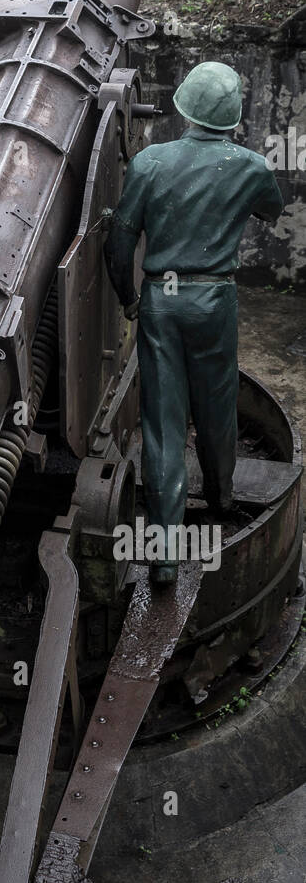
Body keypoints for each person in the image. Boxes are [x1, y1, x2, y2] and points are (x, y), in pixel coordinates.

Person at [104, 62, 284, 585]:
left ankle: (162, 555)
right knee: (217, 403)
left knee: (162, 423)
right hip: (214, 299)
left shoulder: (150, 161)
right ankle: (221, 495)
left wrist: (128, 298)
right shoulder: (250, 165)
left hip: (162, 297)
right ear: (232, 118)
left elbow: (120, 239)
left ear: (182, 107)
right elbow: (270, 210)